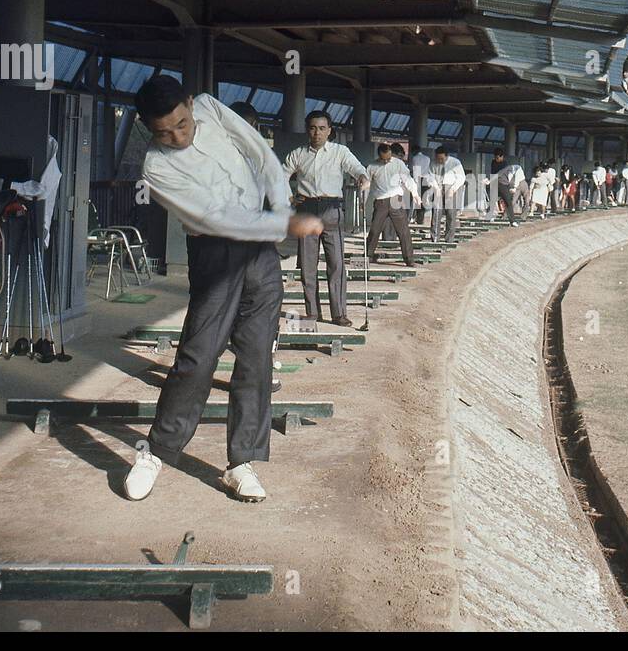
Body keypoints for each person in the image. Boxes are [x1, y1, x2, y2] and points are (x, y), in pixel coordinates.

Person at [123, 76, 323, 505]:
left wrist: (281, 204)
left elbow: (258, 152)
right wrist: (284, 226)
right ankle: (158, 452)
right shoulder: (156, 168)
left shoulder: (212, 110)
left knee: (255, 356)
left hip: (261, 253)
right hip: (215, 251)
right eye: (163, 132)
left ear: (191, 105)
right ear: (146, 127)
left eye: (181, 123)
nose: (176, 136)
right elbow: (215, 218)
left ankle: (241, 463)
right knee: (198, 355)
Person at [283, 110, 369, 327]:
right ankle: (312, 312)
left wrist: (362, 177)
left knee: (337, 264)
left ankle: (339, 314)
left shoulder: (340, 152)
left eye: (322, 128)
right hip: (307, 210)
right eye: (312, 128)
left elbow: (356, 167)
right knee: (308, 266)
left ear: (329, 130)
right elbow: (280, 175)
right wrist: (290, 197)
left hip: (332, 211)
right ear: (307, 130)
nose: (317, 133)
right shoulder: (298, 154)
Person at [366, 142, 419, 266]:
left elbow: (407, 179)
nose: (386, 161)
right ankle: (368, 256)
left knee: (403, 231)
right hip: (381, 201)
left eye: (389, 158)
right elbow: (366, 185)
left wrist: (415, 194)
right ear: (379, 156)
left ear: (391, 154)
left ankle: (409, 260)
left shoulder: (398, 163)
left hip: (396, 200)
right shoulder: (372, 166)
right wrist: (363, 201)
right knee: (374, 230)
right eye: (384, 159)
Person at [429, 145, 465, 241]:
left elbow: (461, 177)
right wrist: (436, 188)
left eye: (442, 158)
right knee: (436, 213)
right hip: (438, 186)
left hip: (451, 186)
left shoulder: (455, 162)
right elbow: (430, 176)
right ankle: (435, 238)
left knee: (450, 214)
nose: (440, 160)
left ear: (447, 156)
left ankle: (449, 239)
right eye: (438, 158)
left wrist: (453, 189)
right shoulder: (433, 163)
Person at [495, 156, 525, 225]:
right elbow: (498, 174)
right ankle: (512, 221)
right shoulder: (507, 169)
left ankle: (512, 220)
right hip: (502, 185)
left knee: (506, 202)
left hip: (504, 185)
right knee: (508, 202)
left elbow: (515, 178)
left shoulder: (514, 169)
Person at [410, 146, 432, 223]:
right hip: (426, 180)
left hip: (418, 179)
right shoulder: (427, 158)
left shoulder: (415, 158)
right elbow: (429, 170)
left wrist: (415, 183)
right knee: (423, 200)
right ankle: (420, 220)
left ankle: (412, 217)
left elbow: (416, 171)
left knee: (415, 199)